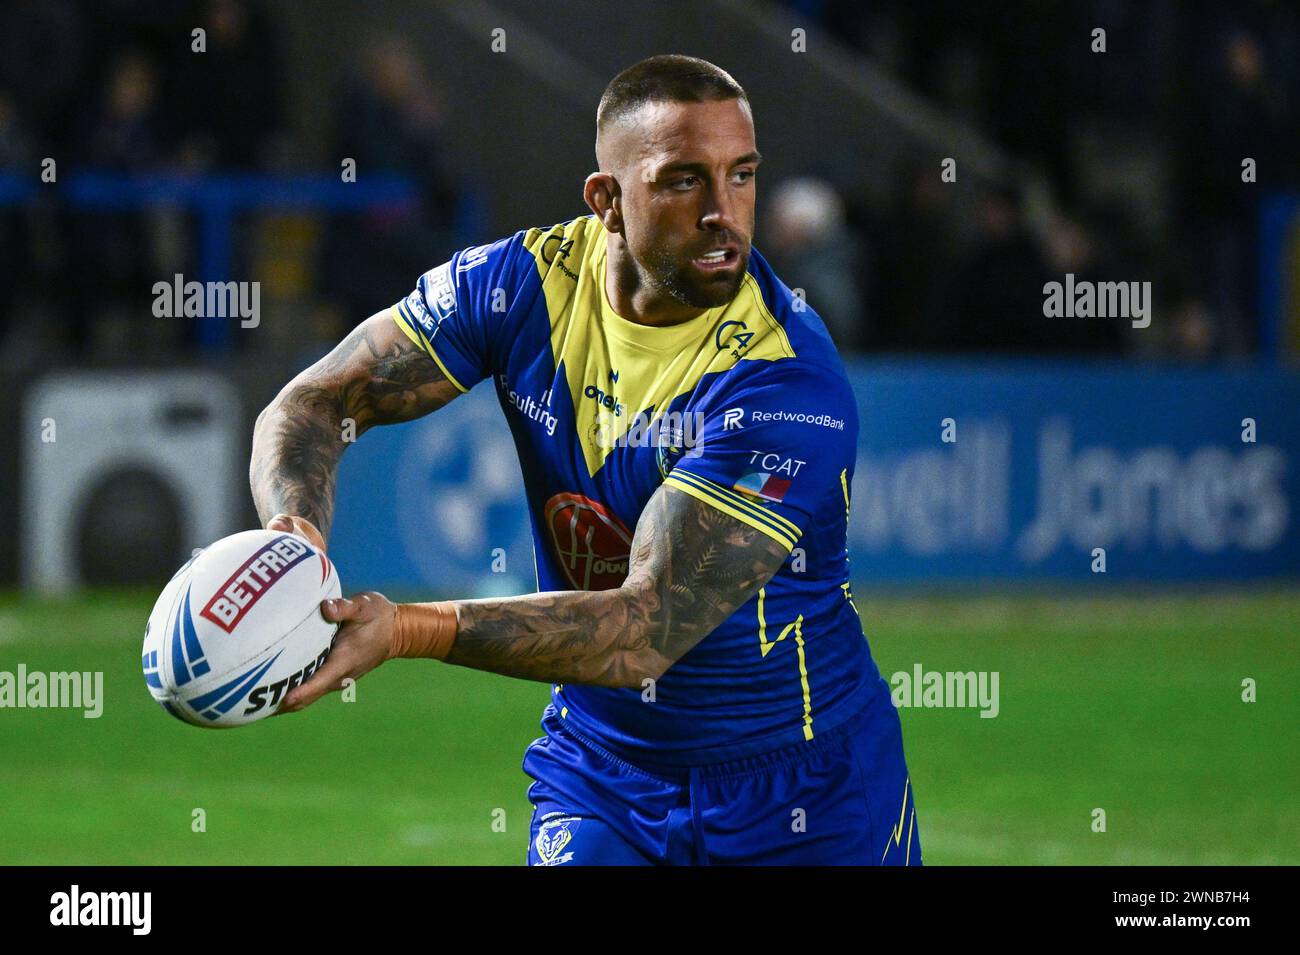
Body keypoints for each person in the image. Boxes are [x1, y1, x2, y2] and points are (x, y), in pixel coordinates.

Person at [250, 55, 919, 866]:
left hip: (806, 791)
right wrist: (295, 531)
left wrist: (407, 631)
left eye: (741, 175)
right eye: (683, 182)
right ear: (605, 200)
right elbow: (315, 402)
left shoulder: (785, 381)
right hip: (604, 774)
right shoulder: (518, 287)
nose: (724, 213)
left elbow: (644, 631)